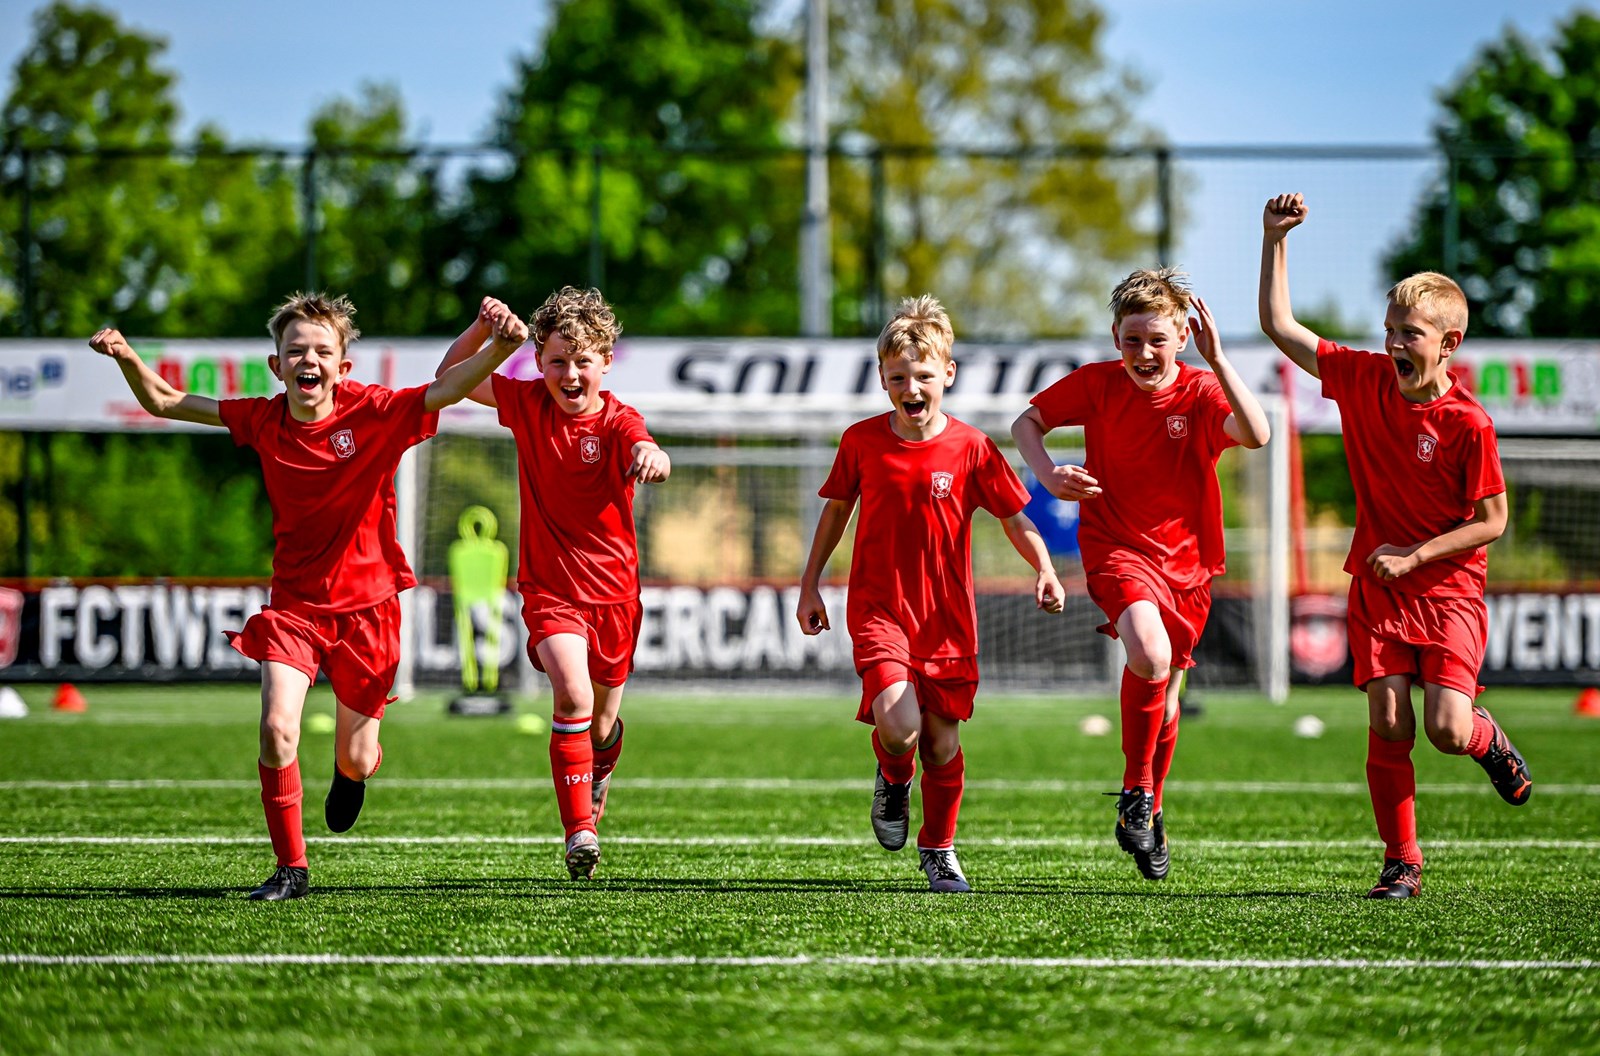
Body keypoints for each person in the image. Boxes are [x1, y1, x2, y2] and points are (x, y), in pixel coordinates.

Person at [89, 292, 529, 901]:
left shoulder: (373, 411)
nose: (309, 359)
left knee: (355, 756)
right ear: (277, 366)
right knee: (276, 728)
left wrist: (499, 346)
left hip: (371, 609)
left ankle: (352, 775)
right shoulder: (264, 419)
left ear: (343, 367)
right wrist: (125, 355)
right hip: (294, 608)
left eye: (323, 350)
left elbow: (447, 390)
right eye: (296, 350)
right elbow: (164, 400)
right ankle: (290, 869)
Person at [1259, 192, 1531, 899]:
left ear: (1449, 344)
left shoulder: (1470, 423)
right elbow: (1280, 326)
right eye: (1389, 329)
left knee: (1445, 728)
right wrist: (1273, 240)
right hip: (1378, 585)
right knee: (1387, 719)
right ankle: (1401, 862)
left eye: (1409, 333)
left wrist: (1415, 555)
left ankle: (1487, 740)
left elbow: (1493, 520)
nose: (1393, 344)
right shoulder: (1362, 379)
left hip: (1447, 593)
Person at [797, 295, 1065, 894]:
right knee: (900, 727)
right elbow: (836, 511)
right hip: (879, 608)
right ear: (883, 381)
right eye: (898, 377)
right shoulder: (861, 442)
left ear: (947, 374)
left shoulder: (972, 447)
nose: (910, 387)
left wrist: (1045, 568)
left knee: (942, 743)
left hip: (947, 619)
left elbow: (1014, 516)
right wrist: (810, 583)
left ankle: (939, 849)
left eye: (923, 375)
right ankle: (893, 780)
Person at [1012, 268, 1270, 882]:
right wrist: (1048, 475)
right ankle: (1136, 794)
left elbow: (1257, 433)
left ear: (1182, 336)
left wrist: (1221, 360)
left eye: (1157, 339)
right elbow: (1027, 422)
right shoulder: (1098, 385)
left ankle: (1150, 809)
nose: (1144, 353)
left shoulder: (1204, 392)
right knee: (1150, 654)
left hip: (1190, 563)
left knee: (1170, 698)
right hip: (1116, 547)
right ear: (1115, 338)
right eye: (1132, 340)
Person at [435, 287, 670, 881]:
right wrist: (480, 331)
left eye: (582, 360)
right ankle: (579, 833)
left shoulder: (619, 419)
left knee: (602, 726)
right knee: (572, 695)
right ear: (538, 363)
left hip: (616, 596)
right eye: (557, 360)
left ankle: (600, 769)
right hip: (550, 591)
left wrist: (652, 456)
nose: (570, 373)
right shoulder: (527, 402)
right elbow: (451, 379)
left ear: (606, 362)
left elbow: (644, 443)